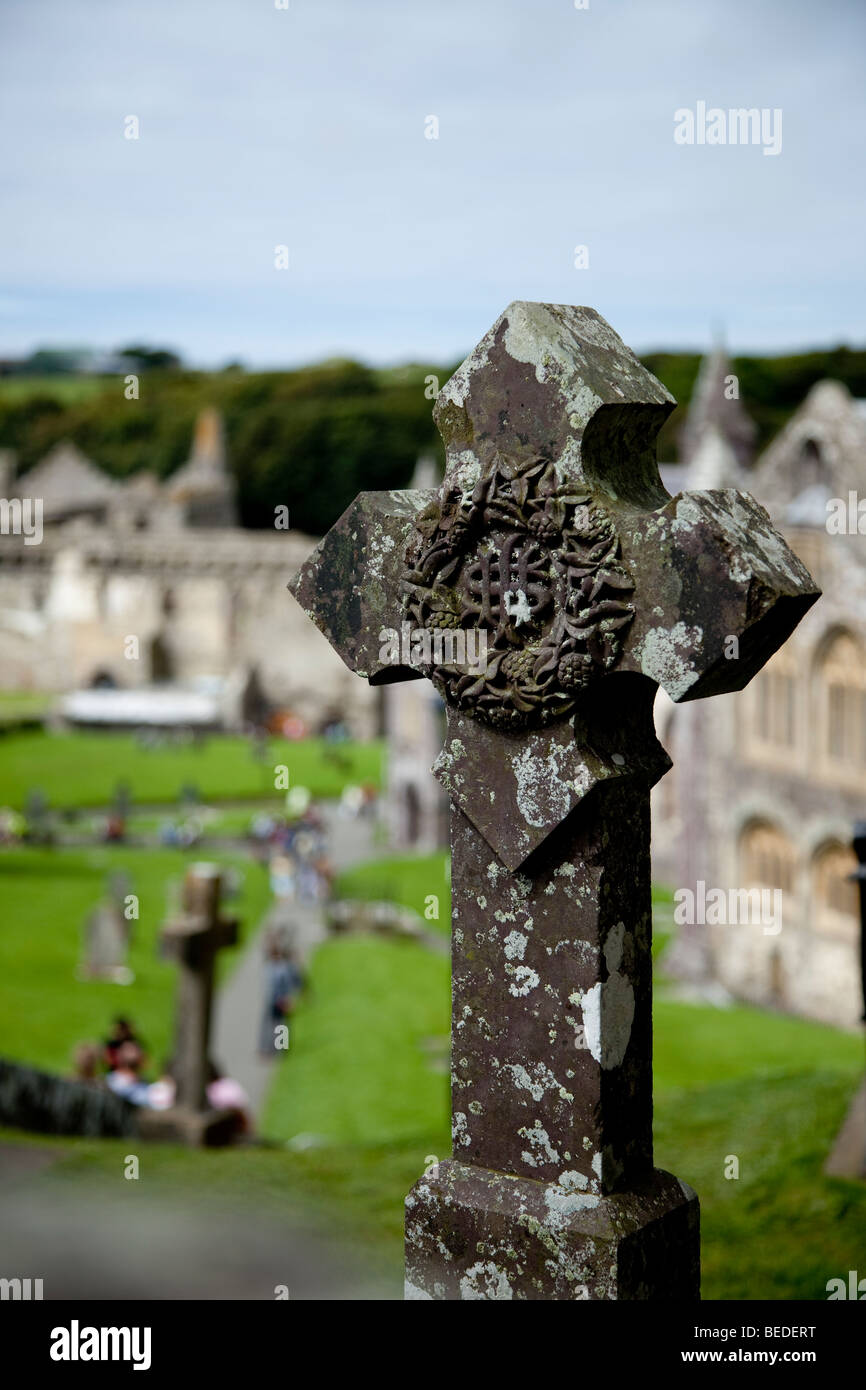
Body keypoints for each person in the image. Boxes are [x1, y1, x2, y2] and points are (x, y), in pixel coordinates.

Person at [259, 931, 302, 1057]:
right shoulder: (278, 967)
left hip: (277, 999)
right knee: (277, 1025)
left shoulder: (274, 967)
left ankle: (279, 1048)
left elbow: (285, 984)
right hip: (276, 999)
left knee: (278, 1025)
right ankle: (275, 1048)